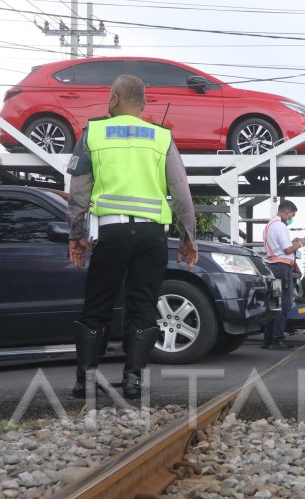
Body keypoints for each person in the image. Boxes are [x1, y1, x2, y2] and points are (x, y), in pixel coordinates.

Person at [66, 74, 198, 402]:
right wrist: (188, 237)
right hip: (151, 235)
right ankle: (133, 381)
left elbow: (79, 190)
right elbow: (181, 191)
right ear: (144, 103)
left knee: (97, 303)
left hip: (112, 233)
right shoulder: (160, 137)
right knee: (143, 304)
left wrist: (76, 234)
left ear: (113, 99)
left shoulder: (93, 133)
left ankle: (86, 381)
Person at [261, 199, 305, 350]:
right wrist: (300, 243)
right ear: (286, 212)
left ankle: (267, 340)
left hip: (272, 267)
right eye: (291, 215)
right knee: (285, 305)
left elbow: (281, 246)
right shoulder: (281, 226)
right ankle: (277, 340)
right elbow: (287, 250)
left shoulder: (269, 226)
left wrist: (292, 241)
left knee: (274, 304)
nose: (290, 219)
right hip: (282, 269)